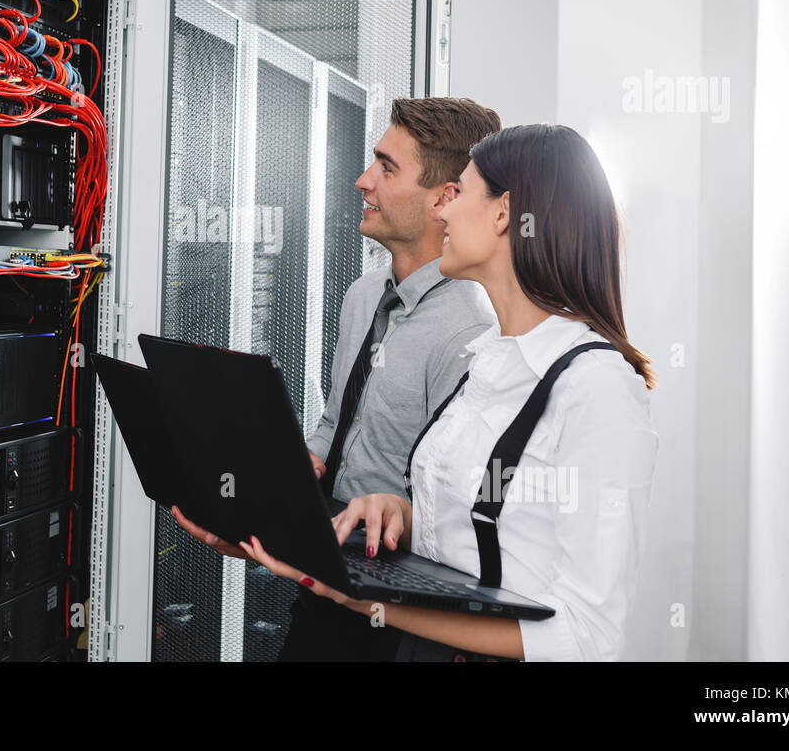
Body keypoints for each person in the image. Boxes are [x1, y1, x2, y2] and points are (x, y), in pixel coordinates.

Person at [238, 123, 659, 661]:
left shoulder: (596, 389)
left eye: (460, 194)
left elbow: (585, 638)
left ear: (504, 214)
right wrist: (400, 515)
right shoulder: (490, 359)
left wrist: (357, 597)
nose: (444, 212)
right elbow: (487, 542)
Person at [172, 97, 501, 661]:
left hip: (399, 606)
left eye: (386, 167)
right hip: (324, 572)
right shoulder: (363, 294)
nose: (362, 180)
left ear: (445, 197)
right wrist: (296, 476)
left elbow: (464, 503)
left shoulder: (472, 330)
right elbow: (335, 421)